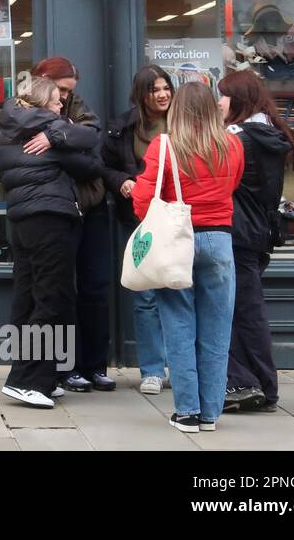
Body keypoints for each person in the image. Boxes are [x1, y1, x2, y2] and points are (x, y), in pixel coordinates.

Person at [132, 83, 244, 433]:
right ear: (213, 109)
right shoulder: (234, 144)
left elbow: (143, 198)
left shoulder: (163, 146)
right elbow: (232, 186)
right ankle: (210, 414)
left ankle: (187, 412)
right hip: (220, 240)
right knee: (217, 331)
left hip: (177, 241)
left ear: (177, 109)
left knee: (178, 326)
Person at [0, 76, 101, 408]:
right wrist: (61, 131)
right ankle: (26, 381)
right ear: (43, 103)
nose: (61, 106)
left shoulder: (9, 128)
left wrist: (56, 135)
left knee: (27, 299)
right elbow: (89, 160)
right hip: (51, 216)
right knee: (51, 298)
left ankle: (40, 376)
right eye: (56, 101)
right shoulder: (48, 129)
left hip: (23, 219)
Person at [31, 57, 113, 393]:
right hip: (59, 210)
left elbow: (92, 148)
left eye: (69, 91)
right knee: (61, 291)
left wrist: (54, 142)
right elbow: (37, 156)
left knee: (95, 289)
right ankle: (67, 367)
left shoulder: (80, 107)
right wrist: (67, 144)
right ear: (43, 83)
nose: (65, 97)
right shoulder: (25, 111)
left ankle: (95, 365)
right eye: (61, 90)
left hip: (90, 206)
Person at [218, 71, 294, 413]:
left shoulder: (237, 137)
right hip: (257, 233)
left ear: (238, 101)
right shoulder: (270, 134)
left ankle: (249, 383)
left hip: (234, 231)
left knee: (237, 311)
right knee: (247, 310)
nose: (218, 102)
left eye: (223, 96)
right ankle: (259, 383)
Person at [101, 65, 174, 395]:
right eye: (154, 89)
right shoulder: (122, 127)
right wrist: (122, 182)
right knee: (145, 296)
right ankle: (152, 370)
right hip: (139, 220)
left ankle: (180, 364)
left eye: (166, 88)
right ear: (142, 94)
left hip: (177, 217)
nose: (162, 94)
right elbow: (105, 167)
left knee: (178, 292)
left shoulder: (183, 122)